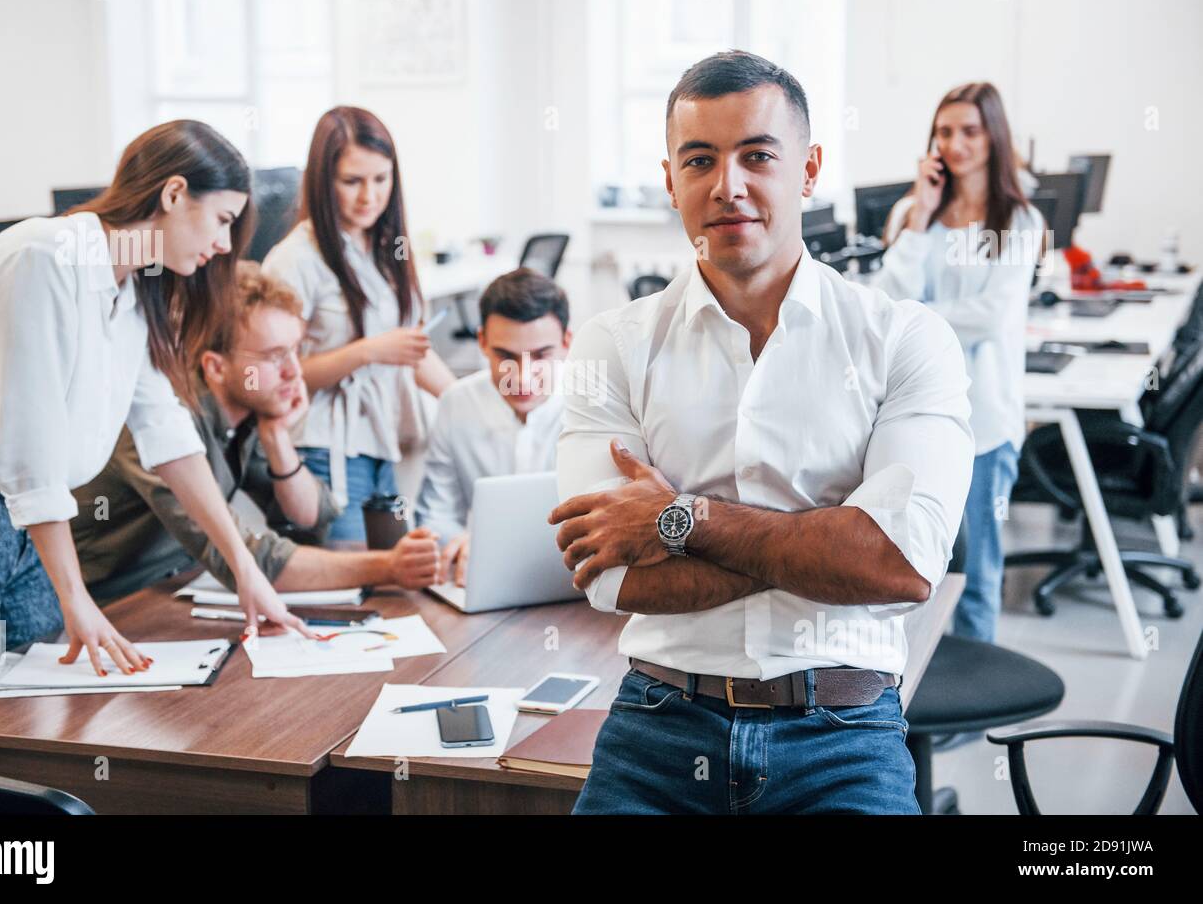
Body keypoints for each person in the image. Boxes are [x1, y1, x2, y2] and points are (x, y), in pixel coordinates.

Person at [548, 51, 973, 814]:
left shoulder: (904, 340)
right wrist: (832, 544)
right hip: (657, 730)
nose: (728, 185)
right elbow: (610, 578)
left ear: (808, 170)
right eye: (700, 160)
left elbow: (902, 566)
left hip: (842, 734)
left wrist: (682, 519)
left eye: (757, 156)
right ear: (671, 180)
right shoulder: (611, 345)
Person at [0, 120, 314, 764]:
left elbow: (169, 435)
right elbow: (30, 445)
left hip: (20, 522)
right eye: (223, 219)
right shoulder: (45, 256)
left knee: (32, 727)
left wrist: (244, 566)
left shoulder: (138, 286)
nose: (226, 243)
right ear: (174, 193)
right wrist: (77, 598)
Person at [71, 268, 442, 600]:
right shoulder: (161, 427)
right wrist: (389, 567)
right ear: (215, 368)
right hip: (111, 604)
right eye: (274, 356)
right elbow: (246, 557)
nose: (294, 372)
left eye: (296, 351)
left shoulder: (245, 419)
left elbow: (311, 522)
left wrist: (278, 438)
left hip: (173, 589)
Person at [871, 81, 1043, 644]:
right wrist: (919, 217)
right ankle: (921, 686)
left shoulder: (1018, 220)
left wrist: (915, 317)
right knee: (916, 563)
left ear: (994, 138)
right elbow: (887, 301)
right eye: (945, 131)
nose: (956, 143)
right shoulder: (913, 212)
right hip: (915, 415)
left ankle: (974, 689)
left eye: (969, 130)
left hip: (985, 426)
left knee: (977, 569)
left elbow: (992, 316)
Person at [262, 106, 454, 544]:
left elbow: (413, 350)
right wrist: (368, 351)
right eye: (352, 181)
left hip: (386, 445)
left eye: (381, 179)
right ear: (322, 181)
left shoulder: (389, 249)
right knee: (348, 583)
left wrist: (472, 401)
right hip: (324, 450)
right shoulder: (295, 258)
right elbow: (274, 377)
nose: (369, 196)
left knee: (392, 580)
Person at [416, 268, 571, 585]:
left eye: (541, 355)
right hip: (487, 582)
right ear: (482, 342)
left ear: (567, 343)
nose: (523, 377)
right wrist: (458, 542)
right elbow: (436, 514)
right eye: (505, 356)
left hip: (578, 585)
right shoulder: (456, 404)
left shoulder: (600, 406)